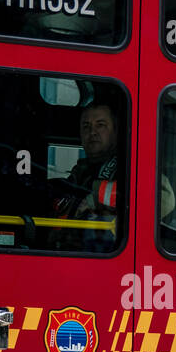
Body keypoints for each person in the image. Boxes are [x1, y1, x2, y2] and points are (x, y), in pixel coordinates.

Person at [52, 99, 124, 251]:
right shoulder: (81, 171)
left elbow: (164, 198)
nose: (92, 132)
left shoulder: (128, 166)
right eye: (86, 126)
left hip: (104, 256)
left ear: (115, 132)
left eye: (100, 125)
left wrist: (94, 198)